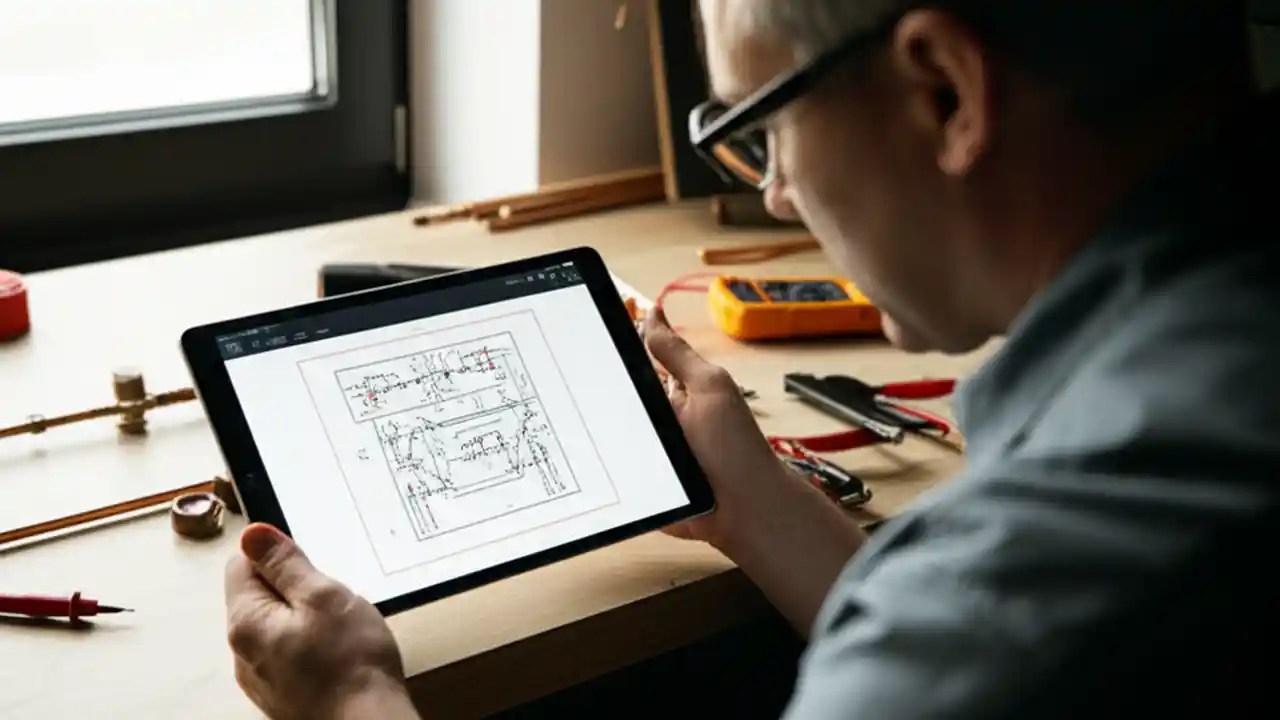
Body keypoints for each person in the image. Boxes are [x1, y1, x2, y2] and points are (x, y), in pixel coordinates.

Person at [222, 1, 1279, 717]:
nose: (776, 196)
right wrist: (754, 504)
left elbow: (980, 633)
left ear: (944, 93)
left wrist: (355, 701)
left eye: (763, 129)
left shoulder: (1029, 584)